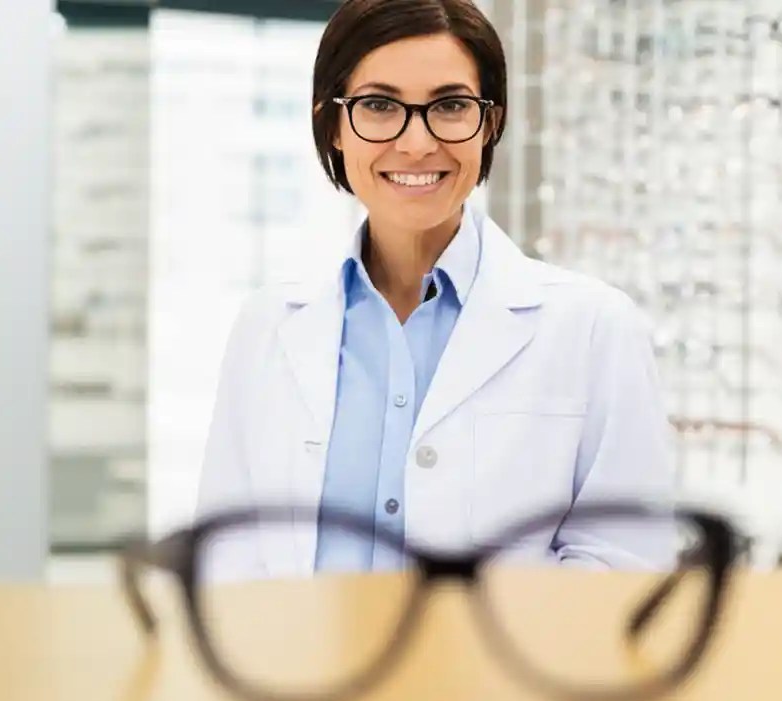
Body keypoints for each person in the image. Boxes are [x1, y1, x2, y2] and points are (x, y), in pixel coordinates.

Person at [194, 0, 676, 581]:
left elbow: (624, 564)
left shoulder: (594, 327)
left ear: (490, 122)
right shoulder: (268, 324)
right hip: (300, 669)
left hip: (497, 672)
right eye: (378, 105)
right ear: (333, 126)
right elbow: (227, 555)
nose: (417, 143)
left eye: (449, 106)